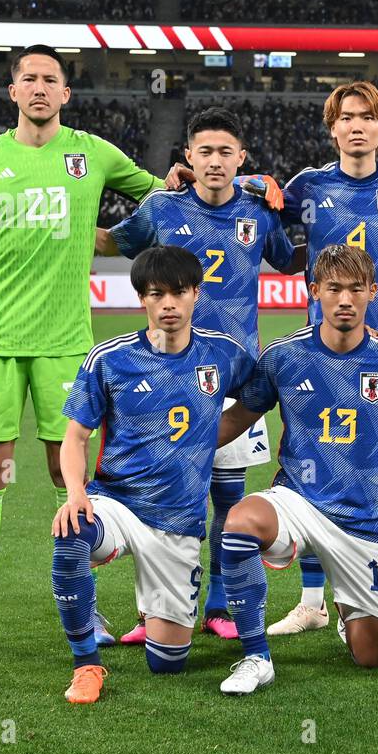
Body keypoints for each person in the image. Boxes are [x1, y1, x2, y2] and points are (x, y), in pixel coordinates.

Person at [0, 44, 193, 653]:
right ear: (13, 92)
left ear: (66, 94)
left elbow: (165, 195)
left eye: (51, 79)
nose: (40, 87)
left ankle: (88, 610)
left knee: (65, 473)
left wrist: (217, 179)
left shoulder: (91, 154)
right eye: (29, 78)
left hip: (66, 343)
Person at [211, 245, 378, 694]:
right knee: (239, 522)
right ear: (315, 292)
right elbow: (237, 418)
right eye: (333, 288)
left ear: (373, 291)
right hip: (298, 500)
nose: (345, 299)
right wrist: (179, 449)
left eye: (355, 288)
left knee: (375, 658)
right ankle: (256, 657)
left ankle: (352, 616)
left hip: (364, 523)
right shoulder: (283, 357)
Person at [96, 105, 303, 644]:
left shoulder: (258, 215)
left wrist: (273, 195)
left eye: (225, 152)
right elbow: (109, 243)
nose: (215, 161)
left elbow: (289, 260)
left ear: (241, 158)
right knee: (160, 497)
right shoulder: (161, 207)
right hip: (164, 376)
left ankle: (219, 604)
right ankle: (155, 612)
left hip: (233, 379)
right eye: (204, 152)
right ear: (188, 156)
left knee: (227, 498)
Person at [270, 81, 378, 637]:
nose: (358, 125)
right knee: (318, 482)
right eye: (348, 117)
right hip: (318, 358)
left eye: (369, 116)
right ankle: (314, 600)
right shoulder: (308, 186)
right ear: (334, 127)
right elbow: (268, 237)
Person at [50, 246, 255, 704]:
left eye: (179, 293)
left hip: (178, 525)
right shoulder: (110, 359)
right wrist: (76, 493)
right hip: (117, 504)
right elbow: (75, 438)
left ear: (196, 295)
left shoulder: (223, 354)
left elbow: (264, 391)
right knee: (71, 531)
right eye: (156, 294)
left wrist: (210, 437)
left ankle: (157, 617)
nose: (168, 304)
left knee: (167, 664)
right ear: (142, 298)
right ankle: (86, 664)